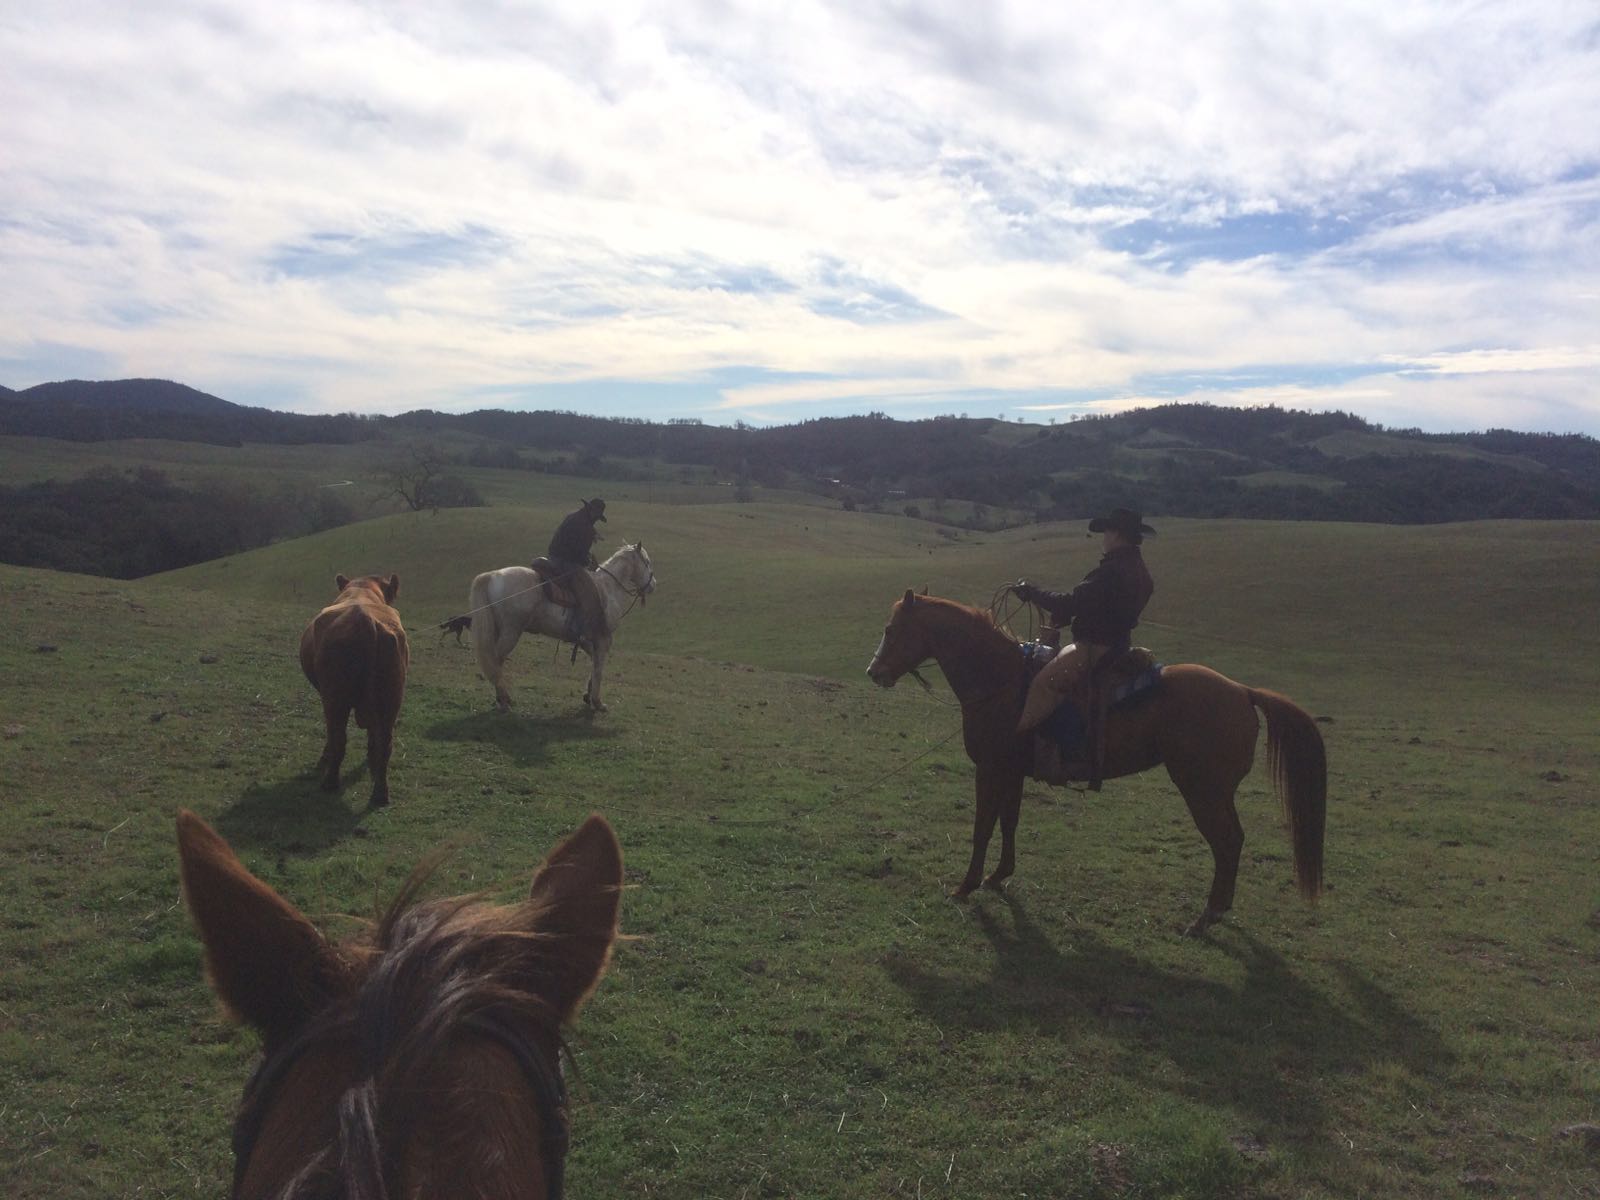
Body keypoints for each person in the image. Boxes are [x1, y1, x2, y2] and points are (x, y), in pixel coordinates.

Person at [1014, 507, 1156, 737]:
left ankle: (1019, 741)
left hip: (1094, 647)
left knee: (1043, 683)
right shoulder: (1140, 571)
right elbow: (1105, 609)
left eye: (1107, 533)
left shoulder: (1111, 571)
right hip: (1118, 646)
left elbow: (1071, 602)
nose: (1104, 538)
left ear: (1117, 535)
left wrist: (1032, 593)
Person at [545, 498, 609, 646]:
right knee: (589, 592)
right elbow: (578, 552)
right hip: (565, 562)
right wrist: (588, 562)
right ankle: (577, 629)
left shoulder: (576, 517)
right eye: (597, 516)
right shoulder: (584, 526)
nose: (596, 520)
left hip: (554, 556)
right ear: (592, 512)